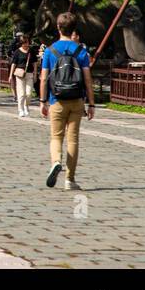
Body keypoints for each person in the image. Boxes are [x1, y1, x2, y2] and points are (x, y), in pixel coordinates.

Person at [39, 12, 94, 190]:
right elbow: (87, 80)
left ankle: (56, 161)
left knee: (56, 136)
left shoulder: (50, 51)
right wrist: (91, 103)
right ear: (73, 30)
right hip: (77, 99)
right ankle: (70, 180)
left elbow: (43, 78)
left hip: (57, 100)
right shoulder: (81, 52)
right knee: (73, 139)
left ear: (58, 27)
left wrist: (42, 101)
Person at [8, 34, 33, 117]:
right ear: (21, 43)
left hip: (29, 73)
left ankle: (26, 106)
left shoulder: (31, 51)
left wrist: (35, 74)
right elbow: (13, 64)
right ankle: (20, 109)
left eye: (27, 42)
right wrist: (11, 75)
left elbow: (35, 63)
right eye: (24, 43)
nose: (26, 44)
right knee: (21, 93)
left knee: (29, 93)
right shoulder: (17, 52)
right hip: (19, 74)